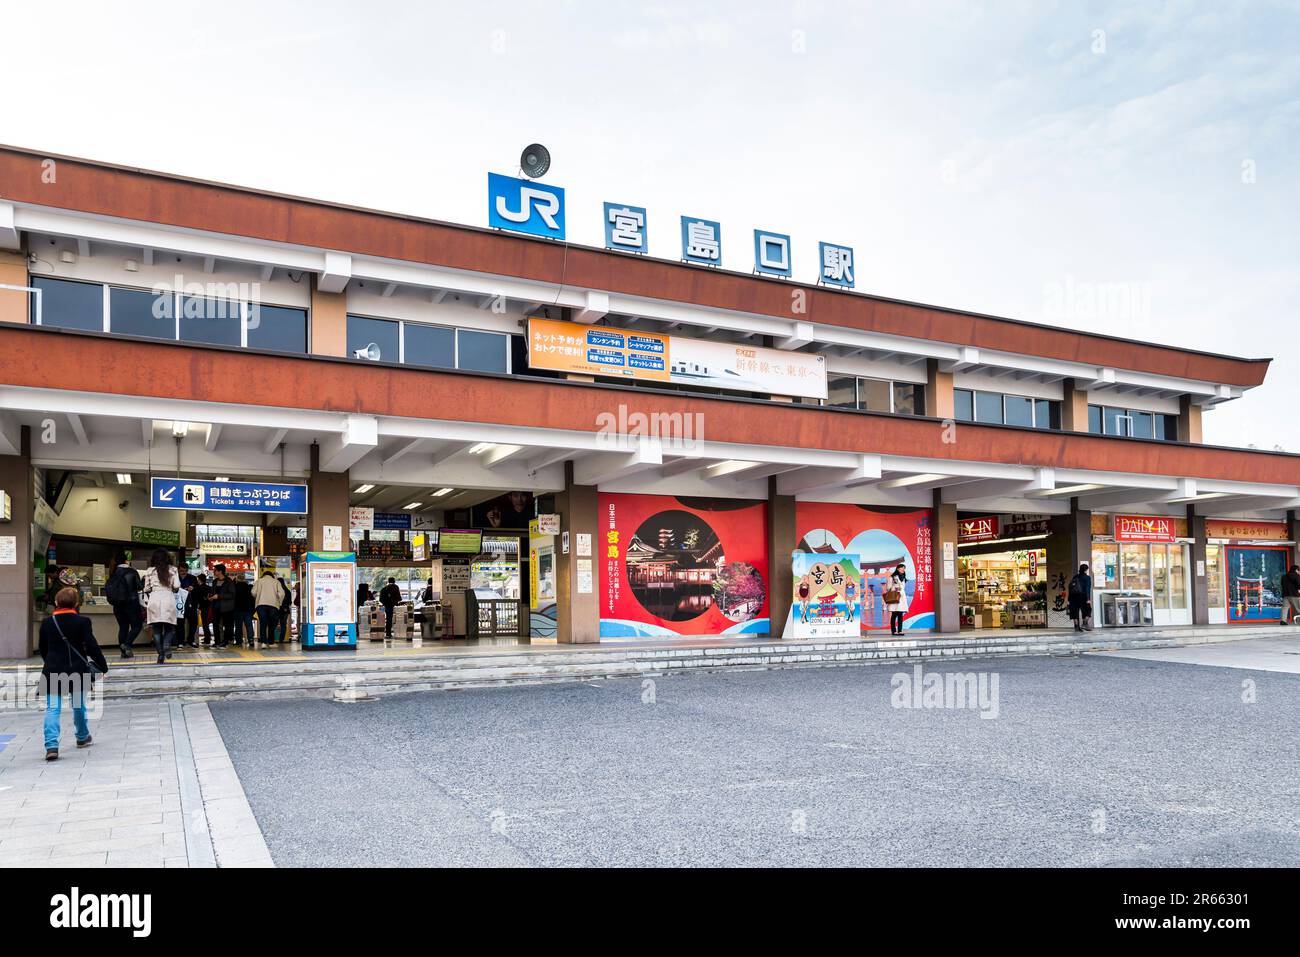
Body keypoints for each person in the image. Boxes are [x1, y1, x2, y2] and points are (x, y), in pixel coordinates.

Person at [38, 587, 109, 760]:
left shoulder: (47, 622)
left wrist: (51, 661)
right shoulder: (83, 622)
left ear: (56, 603)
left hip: (53, 669)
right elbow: (92, 646)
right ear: (77, 603)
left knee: (52, 708)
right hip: (77, 669)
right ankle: (82, 737)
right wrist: (103, 666)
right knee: (79, 705)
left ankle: (52, 746)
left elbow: (43, 648)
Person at [141, 548, 182, 664]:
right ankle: (167, 645)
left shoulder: (150, 570)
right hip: (168, 599)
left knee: (156, 629)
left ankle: (160, 654)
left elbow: (146, 588)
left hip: (154, 599)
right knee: (169, 627)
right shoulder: (173, 569)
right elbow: (177, 586)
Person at [103, 551, 143, 659]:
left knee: (123, 627)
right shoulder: (132, 571)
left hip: (117, 605)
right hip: (131, 603)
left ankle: (123, 652)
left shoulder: (113, 572)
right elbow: (139, 587)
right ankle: (127, 644)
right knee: (137, 626)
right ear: (126, 561)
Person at [252, 569, 283, 647]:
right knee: (271, 624)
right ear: (272, 576)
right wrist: (279, 602)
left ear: (263, 575)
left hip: (261, 605)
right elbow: (281, 593)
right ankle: (271, 642)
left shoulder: (259, 581)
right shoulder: (276, 582)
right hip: (273, 605)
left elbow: (253, 592)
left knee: (263, 624)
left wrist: (258, 597)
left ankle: (263, 643)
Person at [209, 565, 236, 647]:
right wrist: (211, 597)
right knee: (216, 624)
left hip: (226, 607)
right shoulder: (214, 581)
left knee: (227, 625)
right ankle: (217, 641)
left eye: (215, 570)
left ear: (220, 571)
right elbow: (213, 592)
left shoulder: (229, 582)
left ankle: (225, 641)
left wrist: (219, 596)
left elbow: (232, 594)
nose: (214, 572)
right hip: (215, 606)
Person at [185, 572, 212, 646]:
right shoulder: (208, 587)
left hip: (203, 607)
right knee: (205, 623)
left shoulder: (199, 588)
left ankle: (207, 639)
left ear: (199, 580)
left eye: (197, 579)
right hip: (208, 606)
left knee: (205, 623)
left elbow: (199, 598)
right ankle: (207, 638)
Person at [1068, 563, 1093, 632]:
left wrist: (1069, 599)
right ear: (1086, 570)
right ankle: (1085, 623)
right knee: (1088, 610)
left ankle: (1076, 627)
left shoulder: (1075, 577)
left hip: (1073, 597)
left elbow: (1070, 588)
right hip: (1083, 596)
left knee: (1074, 611)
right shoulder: (1087, 578)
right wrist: (1088, 599)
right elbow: (1087, 588)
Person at [886, 563, 910, 636]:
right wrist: (894, 588)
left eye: (904, 568)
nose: (903, 569)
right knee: (894, 614)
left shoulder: (904, 577)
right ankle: (894, 631)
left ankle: (900, 630)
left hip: (902, 597)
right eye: (901, 568)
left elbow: (903, 587)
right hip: (895, 596)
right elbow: (888, 587)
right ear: (897, 569)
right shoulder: (893, 577)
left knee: (900, 614)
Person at [233, 575, 256, 647]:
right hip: (247, 609)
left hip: (237, 609)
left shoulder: (234, 587)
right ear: (244, 579)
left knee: (238, 626)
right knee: (249, 625)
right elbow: (253, 599)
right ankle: (251, 640)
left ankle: (238, 641)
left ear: (237, 579)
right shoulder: (249, 587)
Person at [276, 575, 293, 643]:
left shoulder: (276, 591)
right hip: (285, 610)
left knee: (274, 624)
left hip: (277, 609)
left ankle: (273, 638)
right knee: (283, 625)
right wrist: (286, 607)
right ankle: (281, 639)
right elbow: (290, 601)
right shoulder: (287, 591)